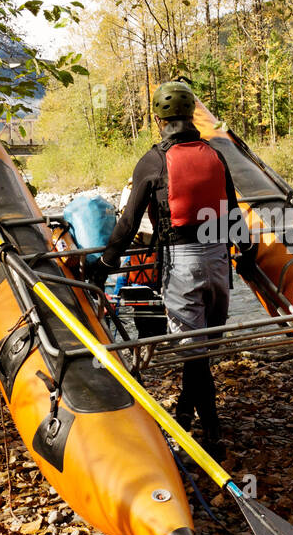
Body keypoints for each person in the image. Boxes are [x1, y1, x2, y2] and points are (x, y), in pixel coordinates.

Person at [93, 79, 256, 460]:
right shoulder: (215, 154)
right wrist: (245, 251)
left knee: (193, 351)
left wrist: (105, 263)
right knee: (201, 345)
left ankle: (212, 428)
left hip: (183, 265)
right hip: (219, 260)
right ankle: (185, 411)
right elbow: (233, 209)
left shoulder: (153, 160)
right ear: (189, 116)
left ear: (158, 120)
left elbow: (129, 221)